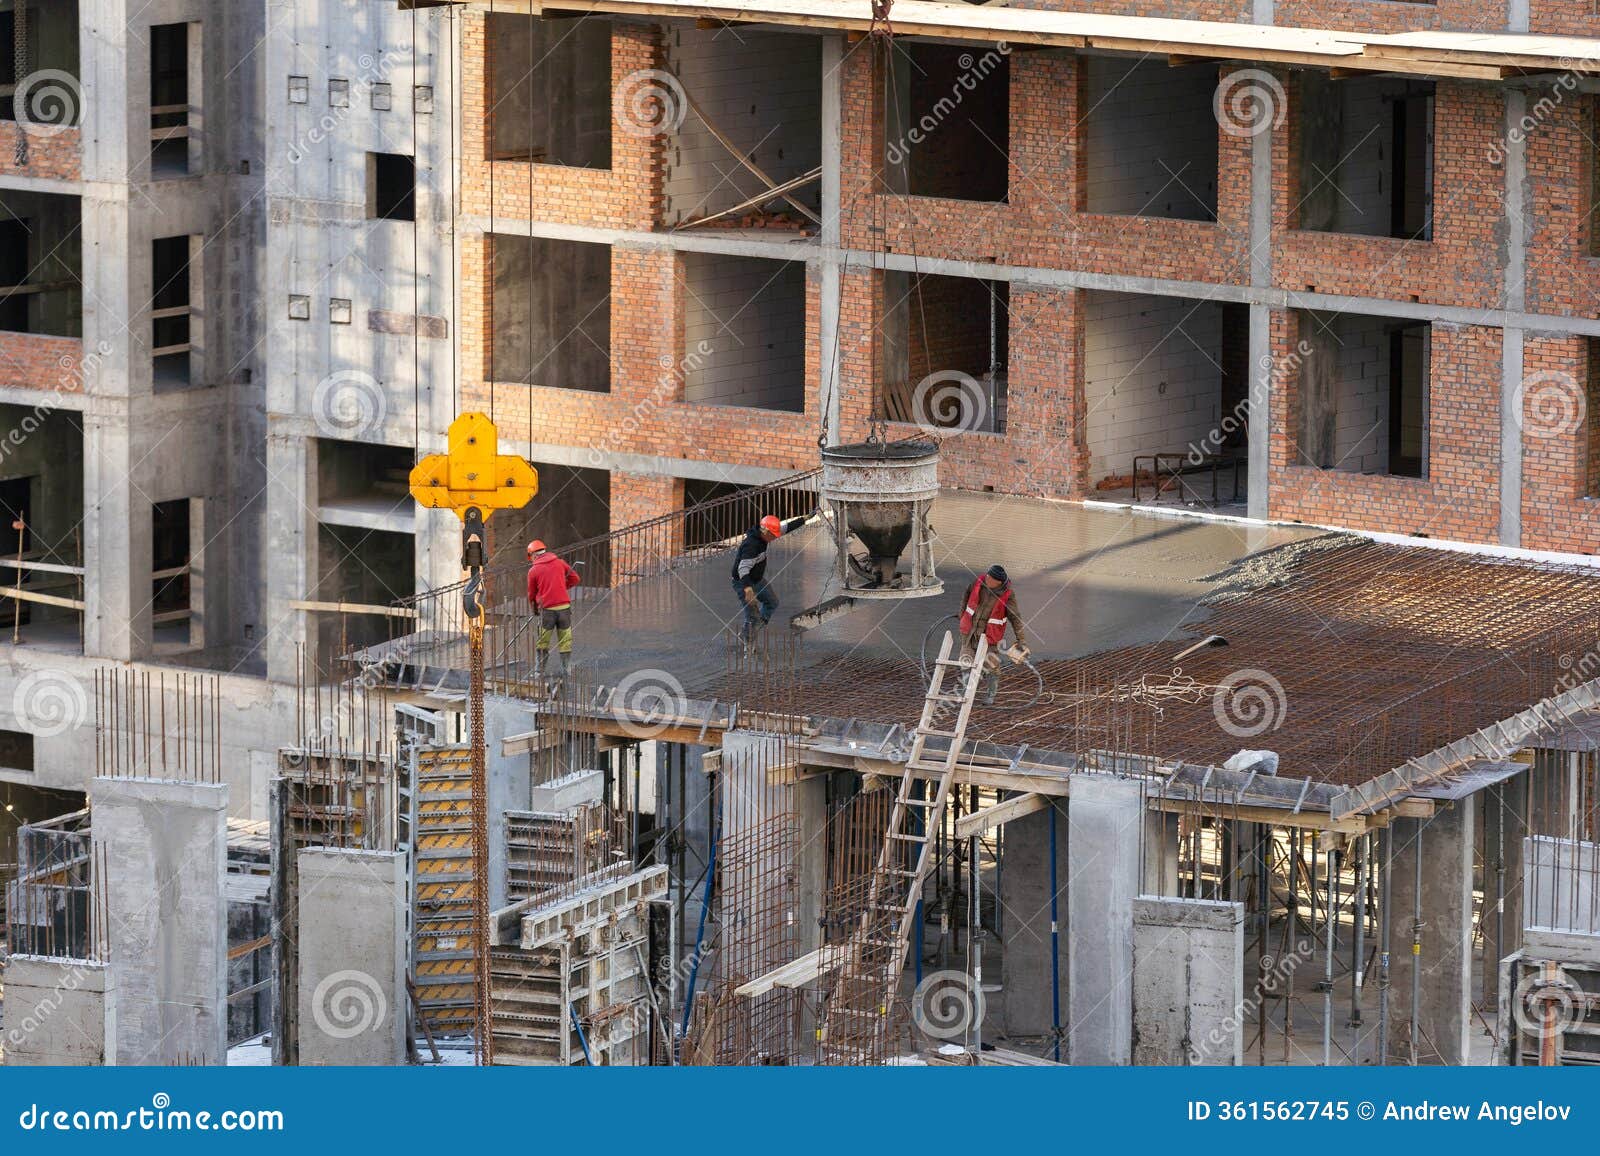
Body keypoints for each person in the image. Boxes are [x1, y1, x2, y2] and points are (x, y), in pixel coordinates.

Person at [958, 564, 1028, 705]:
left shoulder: (1008, 595)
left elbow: (1015, 618)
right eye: (987, 575)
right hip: (970, 634)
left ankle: (990, 695)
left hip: (990, 637)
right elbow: (965, 598)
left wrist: (1021, 639)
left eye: (990, 577)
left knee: (991, 665)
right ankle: (967, 691)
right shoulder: (977, 584)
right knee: (965, 661)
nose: (986, 578)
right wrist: (962, 616)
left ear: (998, 582)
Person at [731, 513, 807, 641]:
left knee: (772, 602)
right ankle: (748, 645)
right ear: (765, 530)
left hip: (758, 580)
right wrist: (748, 590)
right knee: (752, 616)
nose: (774, 538)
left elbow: (784, 528)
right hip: (743, 583)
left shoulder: (766, 534)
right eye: (772, 535)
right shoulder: (751, 545)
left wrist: (804, 519)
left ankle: (755, 627)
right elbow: (742, 569)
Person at [526, 539, 581, 673]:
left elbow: (531, 594)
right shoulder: (560, 563)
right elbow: (575, 579)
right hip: (564, 610)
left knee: (543, 641)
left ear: (533, 555)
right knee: (565, 640)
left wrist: (534, 608)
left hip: (547, 612)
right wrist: (562, 587)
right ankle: (566, 669)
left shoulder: (533, 570)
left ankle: (539, 671)